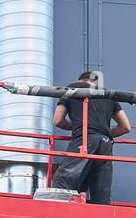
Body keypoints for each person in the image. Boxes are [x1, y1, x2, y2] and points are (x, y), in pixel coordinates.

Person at [51, 71, 130, 204]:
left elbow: (58, 120)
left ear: (80, 80)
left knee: (63, 181)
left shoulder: (72, 88)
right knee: (101, 190)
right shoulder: (108, 95)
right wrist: (102, 132)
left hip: (85, 140)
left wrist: (80, 126)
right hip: (106, 144)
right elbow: (126, 127)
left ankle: (57, 210)